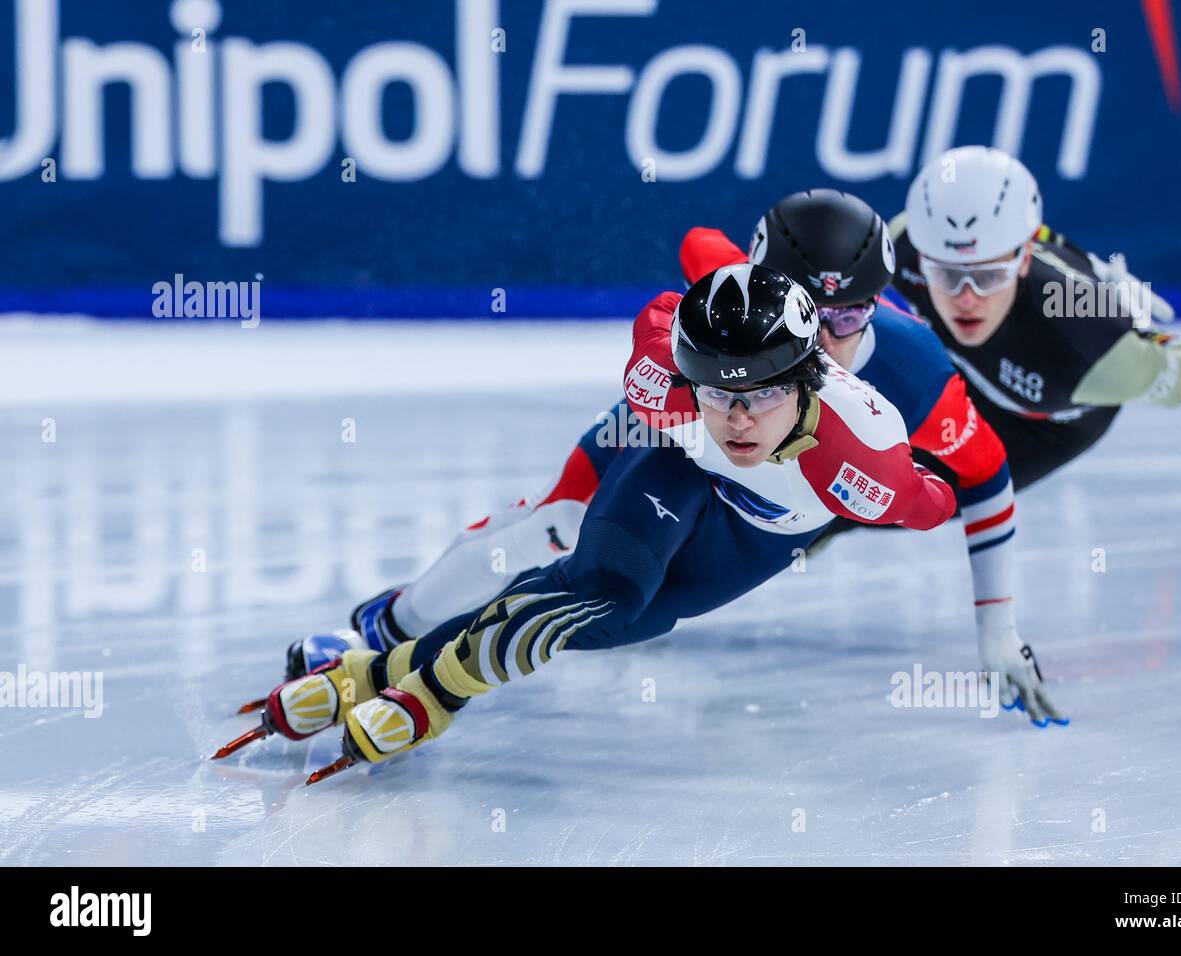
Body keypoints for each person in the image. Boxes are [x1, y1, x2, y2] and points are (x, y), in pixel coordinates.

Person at [281, 190, 1060, 727]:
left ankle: (421, 663)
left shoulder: (918, 376)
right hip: (684, 424)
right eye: (800, 312)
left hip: (776, 480)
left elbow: (984, 478)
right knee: (552, 526)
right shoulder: (727, 318)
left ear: (881, 302)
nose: (821, 341)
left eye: (850, 315)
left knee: (614, 599)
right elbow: (699, 251)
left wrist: (996, 628)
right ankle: (380, 634)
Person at [217, 264, 976, 776]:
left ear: (810, 377)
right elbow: (689, 271)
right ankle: (428, 693)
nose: (738, 420)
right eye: (719, 393)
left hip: (758, 536)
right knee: (597, 581)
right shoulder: (663, 383)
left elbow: (935, 501)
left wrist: (943, 466)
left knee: (617, 625)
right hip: (679, 466)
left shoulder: (866, 460)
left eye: (762, 396)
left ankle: (370, 672)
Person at [887, 145, 1181, 491]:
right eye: (947, 276)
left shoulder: (1091, 347)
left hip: (1036, 428)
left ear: (1024, 261)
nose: (967, 299)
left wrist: (1149, 338)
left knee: (887, 494)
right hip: (968, 368)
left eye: (990, 276)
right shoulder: (903, 245)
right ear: (923, 259)